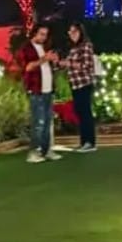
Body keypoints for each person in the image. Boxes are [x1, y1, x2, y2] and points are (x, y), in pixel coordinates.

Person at [17, 24, 61, 163]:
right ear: (34, 33)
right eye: (41, 34)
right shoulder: (26, 49)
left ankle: (46, 150)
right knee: (38, 122)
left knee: (48, 122)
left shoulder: (45, 48)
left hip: (48, 90)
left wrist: (54, 61)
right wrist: (44, 59)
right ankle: (33, 152)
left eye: (45, 34)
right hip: (36, 91)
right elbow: (28, 67)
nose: (44, 37)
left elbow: (51, 66)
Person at [64, 23, 97, 153]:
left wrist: (69, 63)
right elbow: (69, 65)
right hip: (75, 84)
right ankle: (84, 142)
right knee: (80, 113)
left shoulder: (86, 46)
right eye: (70, 32)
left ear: (80, 32)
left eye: (74, 31)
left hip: (84, 84)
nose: (72, 34)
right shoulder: (73, 49)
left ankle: (90, 142)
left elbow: (87, 65)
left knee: (85, 113)